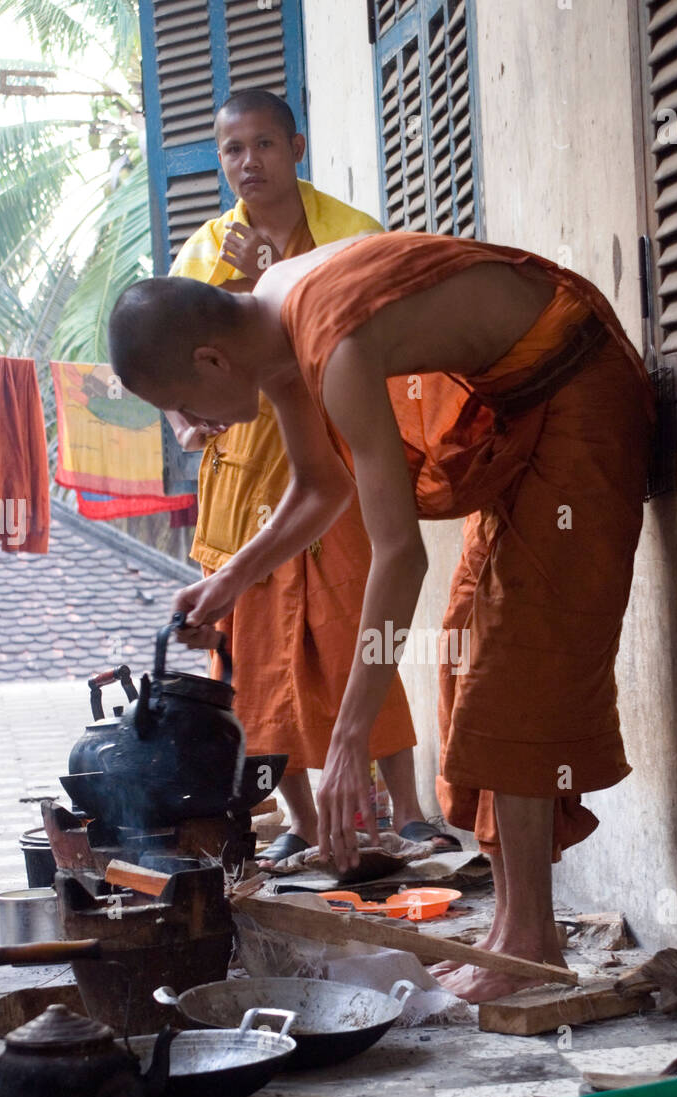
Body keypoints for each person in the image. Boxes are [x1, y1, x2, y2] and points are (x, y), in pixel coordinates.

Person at [108, 230, 656, 1001]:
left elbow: (401, 556)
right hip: (512, 409)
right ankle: (510, 929)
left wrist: (349, 735)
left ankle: (533, 936)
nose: (197, 427)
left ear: (210, 361)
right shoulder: (273, 333)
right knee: (469, 649)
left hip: (577, 384)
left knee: (517, 664)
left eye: (185, 407)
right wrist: (229, 581)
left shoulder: (331, 346)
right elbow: (318, 487)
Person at [164, 88, 455, 860]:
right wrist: (187, 420)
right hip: (243, 472)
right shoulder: (200, 255)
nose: (247, 162)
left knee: (358, 620)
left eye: (263, 144)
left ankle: (408, 808)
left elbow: (378, 347)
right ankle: (300, 820)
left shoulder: (351, 235)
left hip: (337, 453)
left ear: (296, 150)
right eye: (232, 149)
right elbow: (177, 370)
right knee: (252, 656)